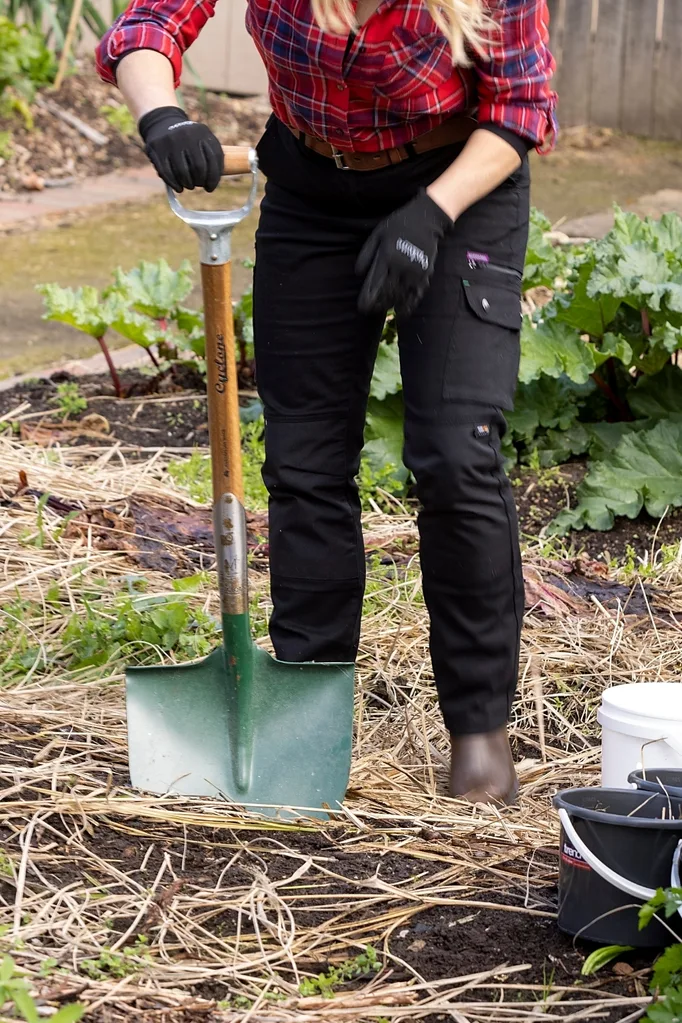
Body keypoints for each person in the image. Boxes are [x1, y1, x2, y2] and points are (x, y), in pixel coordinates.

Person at [96, 0, 556, 804]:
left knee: (456, 453)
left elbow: (521, 108)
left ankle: (480, 732)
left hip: (458, 183)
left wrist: (430, 215)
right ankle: (308, 708)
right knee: (304, 461)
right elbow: (146, 26)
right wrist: (161, 114)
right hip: (311, 189)